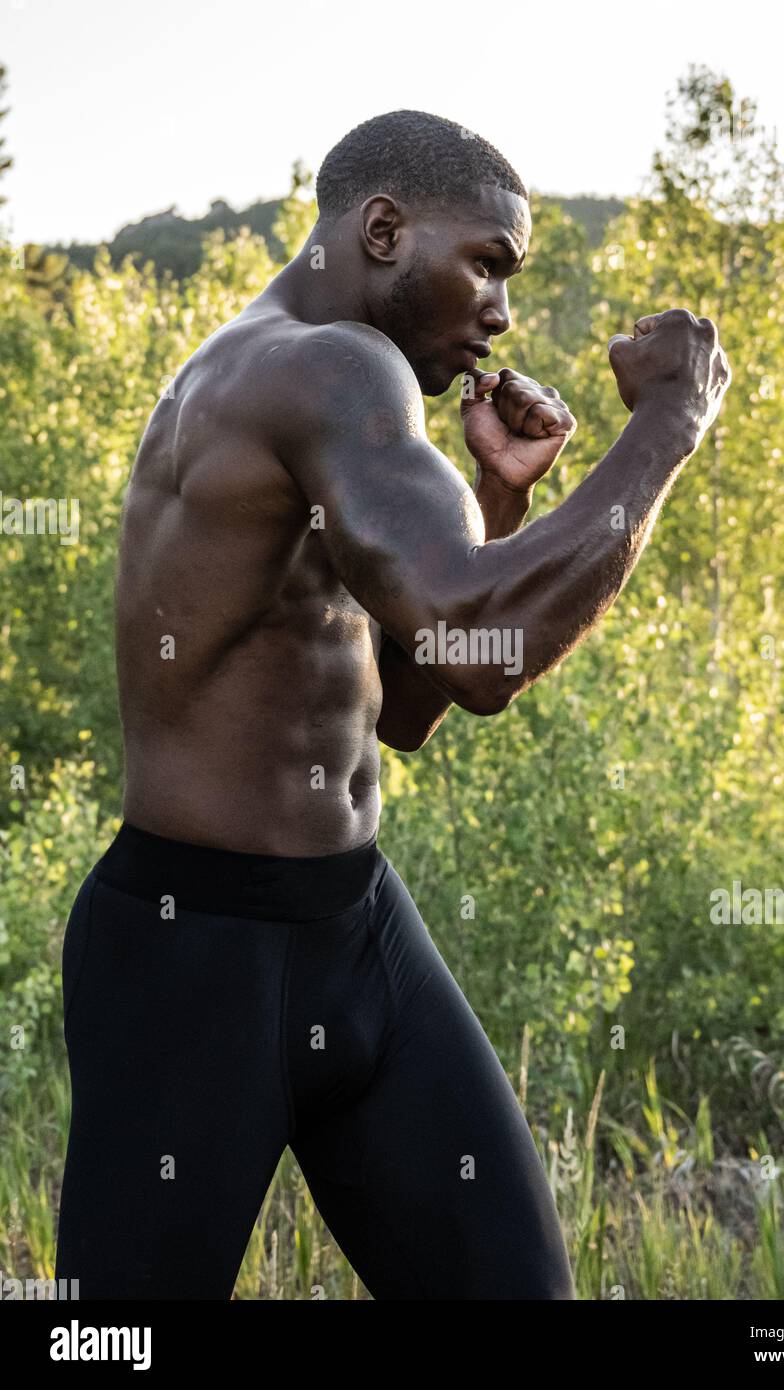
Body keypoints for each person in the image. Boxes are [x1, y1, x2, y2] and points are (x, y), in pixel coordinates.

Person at [55, 109, 730, 1300]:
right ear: (382, 230)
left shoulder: (297, 378)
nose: (503, 314)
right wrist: (668, 425)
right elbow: (482, 652)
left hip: (354, 929)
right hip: (195, 957)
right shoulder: (327, 368)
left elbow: (413, 702)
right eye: (488, 264)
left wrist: (496, 504)